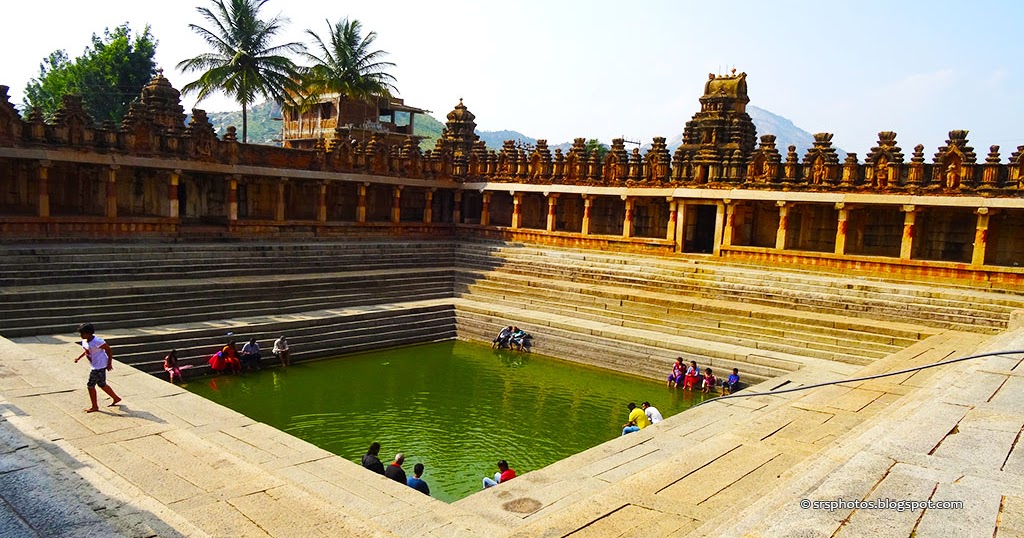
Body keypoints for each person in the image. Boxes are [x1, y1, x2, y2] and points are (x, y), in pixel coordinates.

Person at [74, 323, 122, 413]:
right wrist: (79, 358)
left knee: (90, 385)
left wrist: (109, 363)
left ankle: (95, 406)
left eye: (82, 333)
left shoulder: (97, 341)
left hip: (99, 366)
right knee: (102, 384)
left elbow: (108, 350)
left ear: (89, 333)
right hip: (95, 364)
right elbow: (87, 351)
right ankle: (116, 398)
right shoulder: (85, 341)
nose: (81, 335)